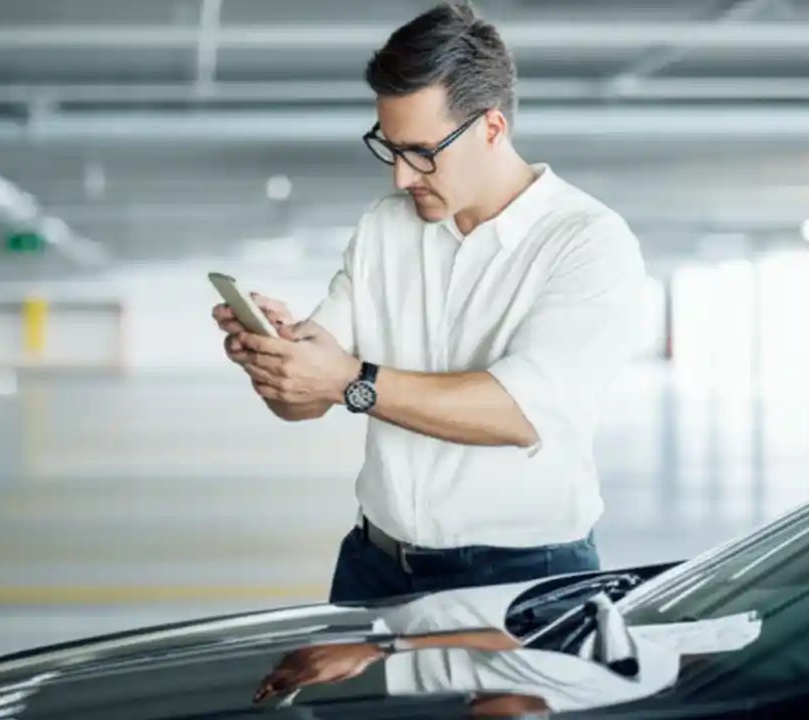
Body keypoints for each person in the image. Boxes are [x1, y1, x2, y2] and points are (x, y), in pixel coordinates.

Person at [212, 2, 646, 603]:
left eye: (420, 151)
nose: (400, 176)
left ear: (492, 129)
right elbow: (306, 404)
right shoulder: (385, 228)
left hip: (526, 574)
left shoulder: (587, 243)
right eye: (388, 148)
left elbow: (518, 414)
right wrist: (278, 362)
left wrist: (349, 381)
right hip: (375, 565)